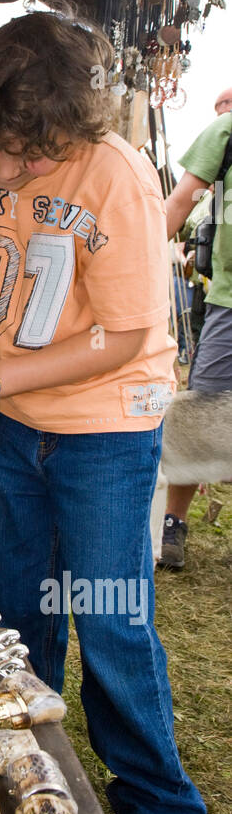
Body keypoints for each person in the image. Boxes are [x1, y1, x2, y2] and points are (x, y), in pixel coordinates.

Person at [0, 9, 205, 814]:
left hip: (108, 430)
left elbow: (126, 336)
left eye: (23, 156)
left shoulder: (118, 175)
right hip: (17, 427)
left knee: (110, 617)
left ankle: (160, 810)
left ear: (67, 128)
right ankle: (22, 772)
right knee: (12, 609)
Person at [161, 86, 232, 568]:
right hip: (229, 300)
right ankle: (173, 524)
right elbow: (181, 201)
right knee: (197, 413)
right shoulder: (225, 132)